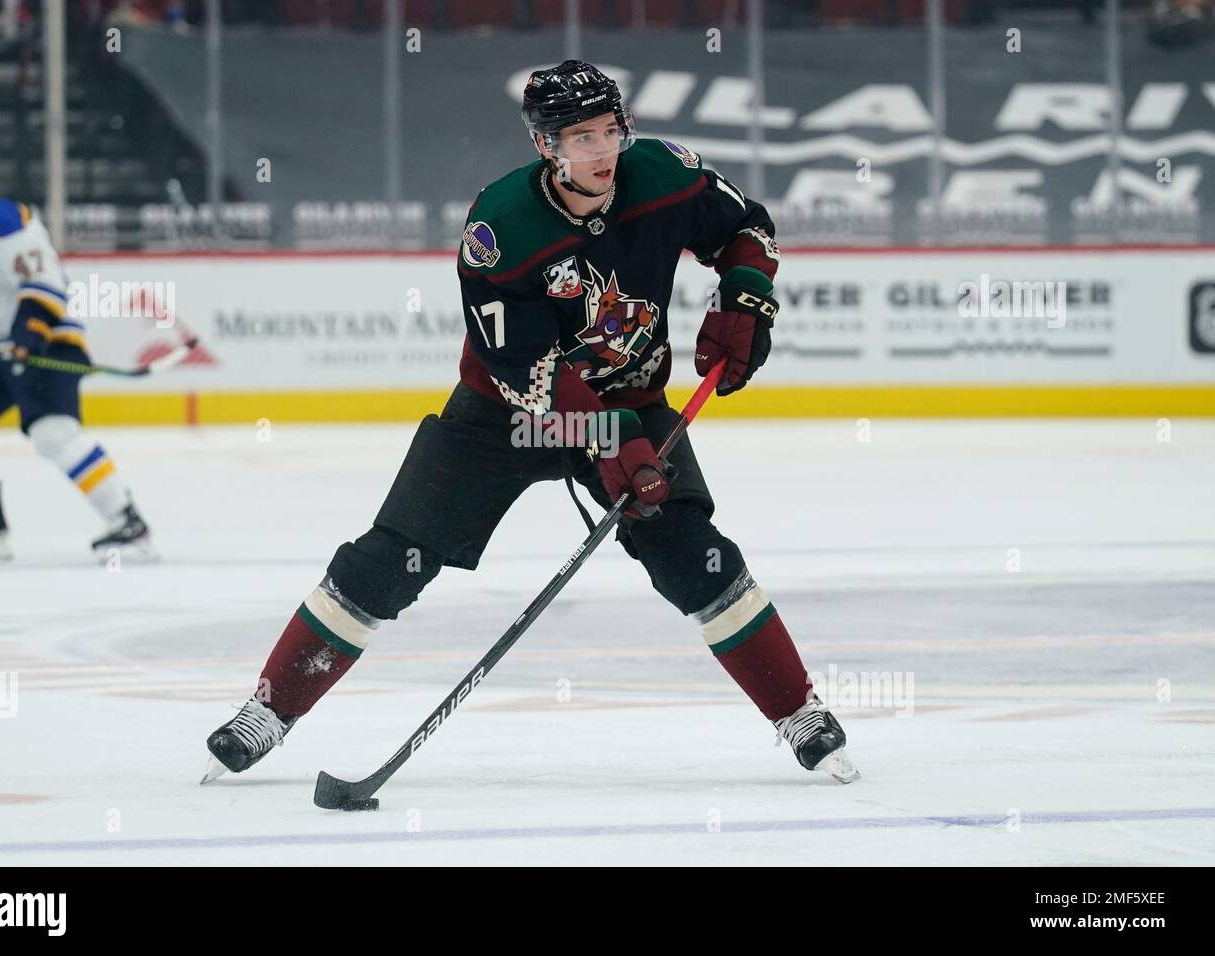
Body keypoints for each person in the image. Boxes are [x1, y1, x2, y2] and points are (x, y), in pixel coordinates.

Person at [203, 61, 858, 786]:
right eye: (582, 138)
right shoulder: (501, 227)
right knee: (390, 558)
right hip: (505, 413)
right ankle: (269, 709)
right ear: (547, 146)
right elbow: (530, 372)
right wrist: (613, 444)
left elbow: (745, 228)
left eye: (611, 130)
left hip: (632, 400)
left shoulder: (666, 174)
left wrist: (745, 298)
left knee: (690, 551)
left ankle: (797, 710)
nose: (603, 151)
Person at [0, 133, 152, 560]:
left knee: (52, 433)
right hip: (0, 353)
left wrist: (28, 336)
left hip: (48, 344)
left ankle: (128, 523)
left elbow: (44, 283)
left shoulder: (4, 221)